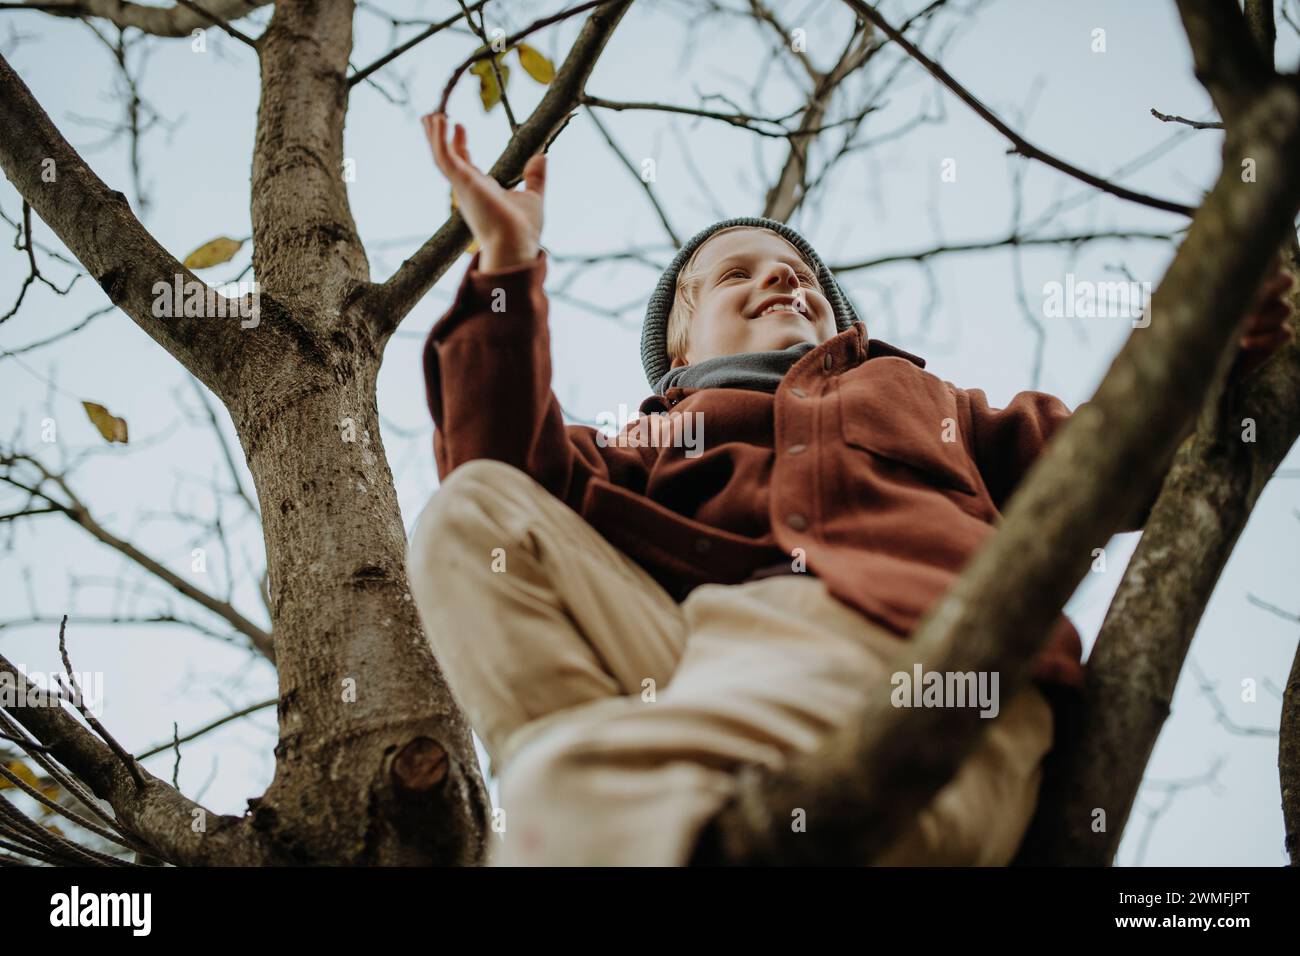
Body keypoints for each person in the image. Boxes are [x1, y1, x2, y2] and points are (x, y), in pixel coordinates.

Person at [406, 111, 1296, 866]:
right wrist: (506, 269)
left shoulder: (916, 399)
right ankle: (646, 803)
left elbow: (1109, 451)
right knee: (470, 513)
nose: (783, 279)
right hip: (701, 669)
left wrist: (1219, 343)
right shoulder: (650, 446)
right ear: (681, 350)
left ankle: (625, 806)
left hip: (917, 669)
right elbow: (498, 465)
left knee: (566, 792)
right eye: (736, 274)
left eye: (801, 276)